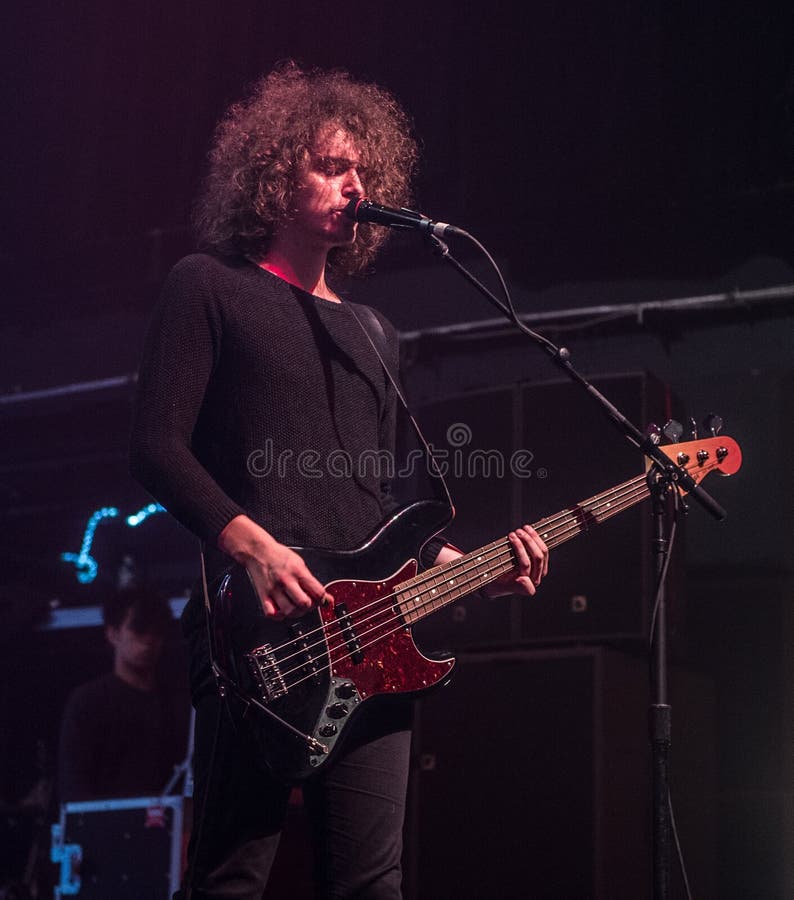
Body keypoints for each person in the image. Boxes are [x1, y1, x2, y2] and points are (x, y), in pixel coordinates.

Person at [129, 61, 549, 900]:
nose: (353, 184)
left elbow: (382, 507)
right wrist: (251, 545)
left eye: (362, 169)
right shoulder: (209, 286)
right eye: (330, 164)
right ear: (274, 174)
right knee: (229, 879)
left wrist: (456, 568)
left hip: (373, 642)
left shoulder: (374, 332)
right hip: (256, 636)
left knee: (371, 884)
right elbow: (155, 448)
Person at [57, 585, 188, 802]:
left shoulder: (176, 703)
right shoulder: (88, 702)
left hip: (167, 825)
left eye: (157, 632)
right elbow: (74, 786)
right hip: (104, 828)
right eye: (139, 629)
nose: (149, 640)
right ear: (112, 633)